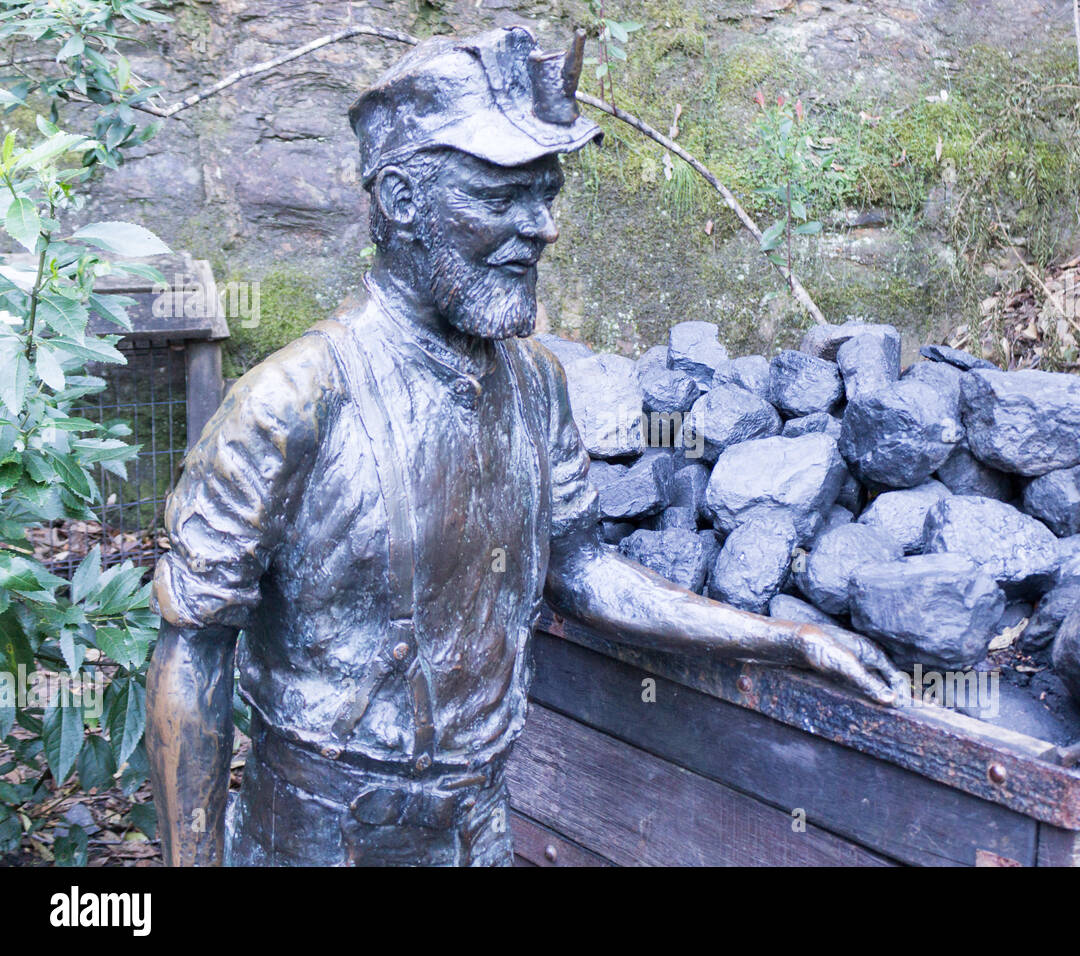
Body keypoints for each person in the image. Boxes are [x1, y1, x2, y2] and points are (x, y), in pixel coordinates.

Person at [145, 25, 908, 867]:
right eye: (501, 196)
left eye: (547, 194)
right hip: (320, 837)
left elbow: (579, 571)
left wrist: (785, 639)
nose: (541, 228)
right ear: (401, 202)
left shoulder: (536, 384)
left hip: (477, 826)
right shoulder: (290, 404)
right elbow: (194, 647)